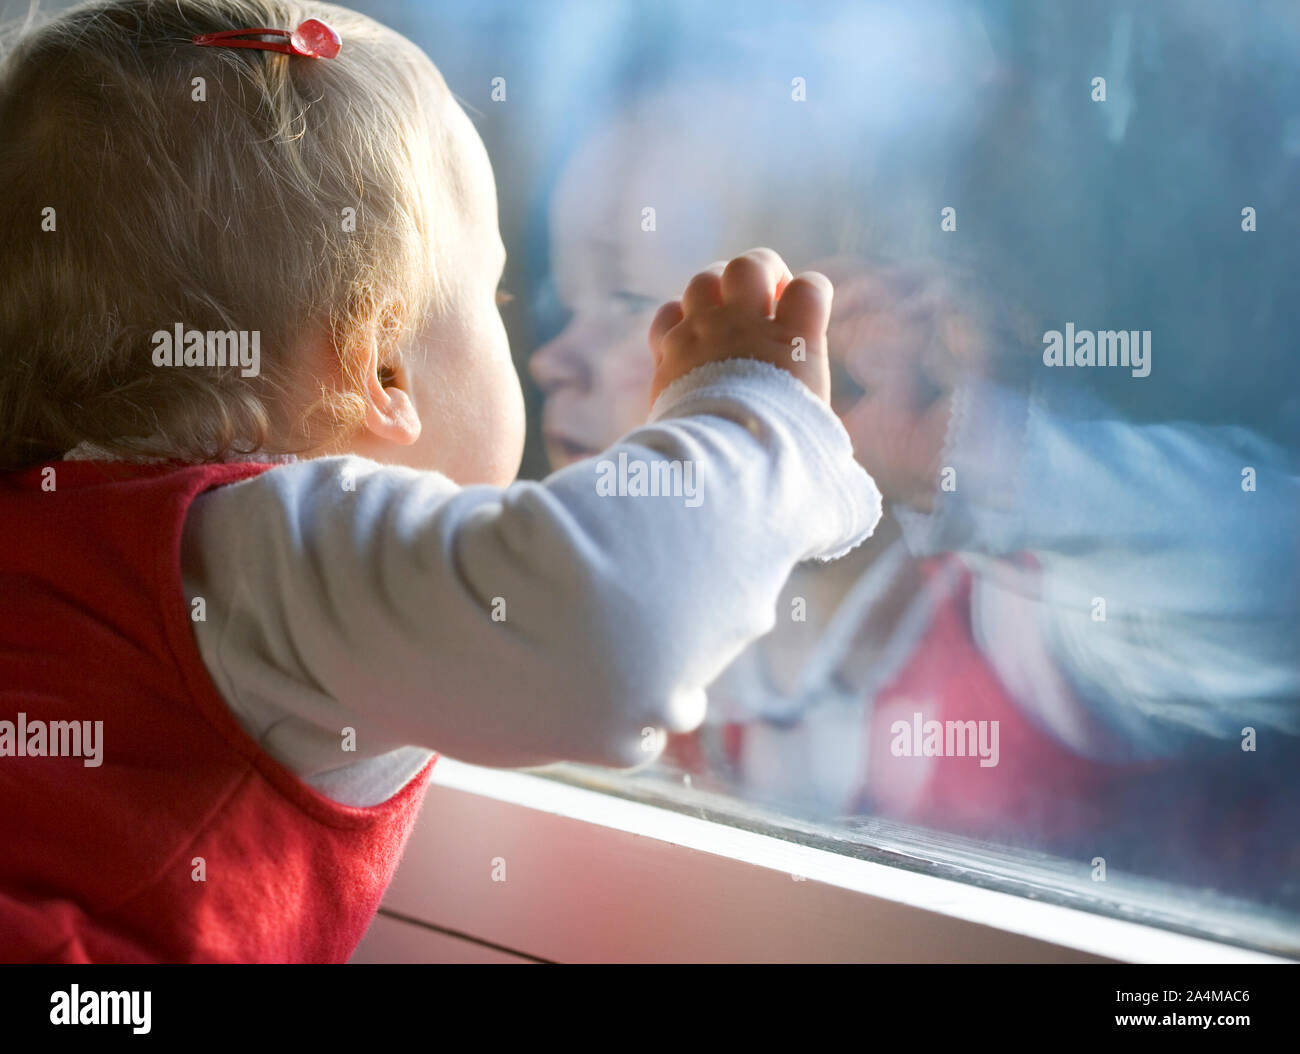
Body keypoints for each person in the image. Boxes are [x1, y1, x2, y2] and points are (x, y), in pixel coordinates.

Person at [0, 0, 880, 962]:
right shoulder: (271, 544)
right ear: (379, 368)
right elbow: (609, 631)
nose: (530, 347)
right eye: (495, 298)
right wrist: (754, 416)